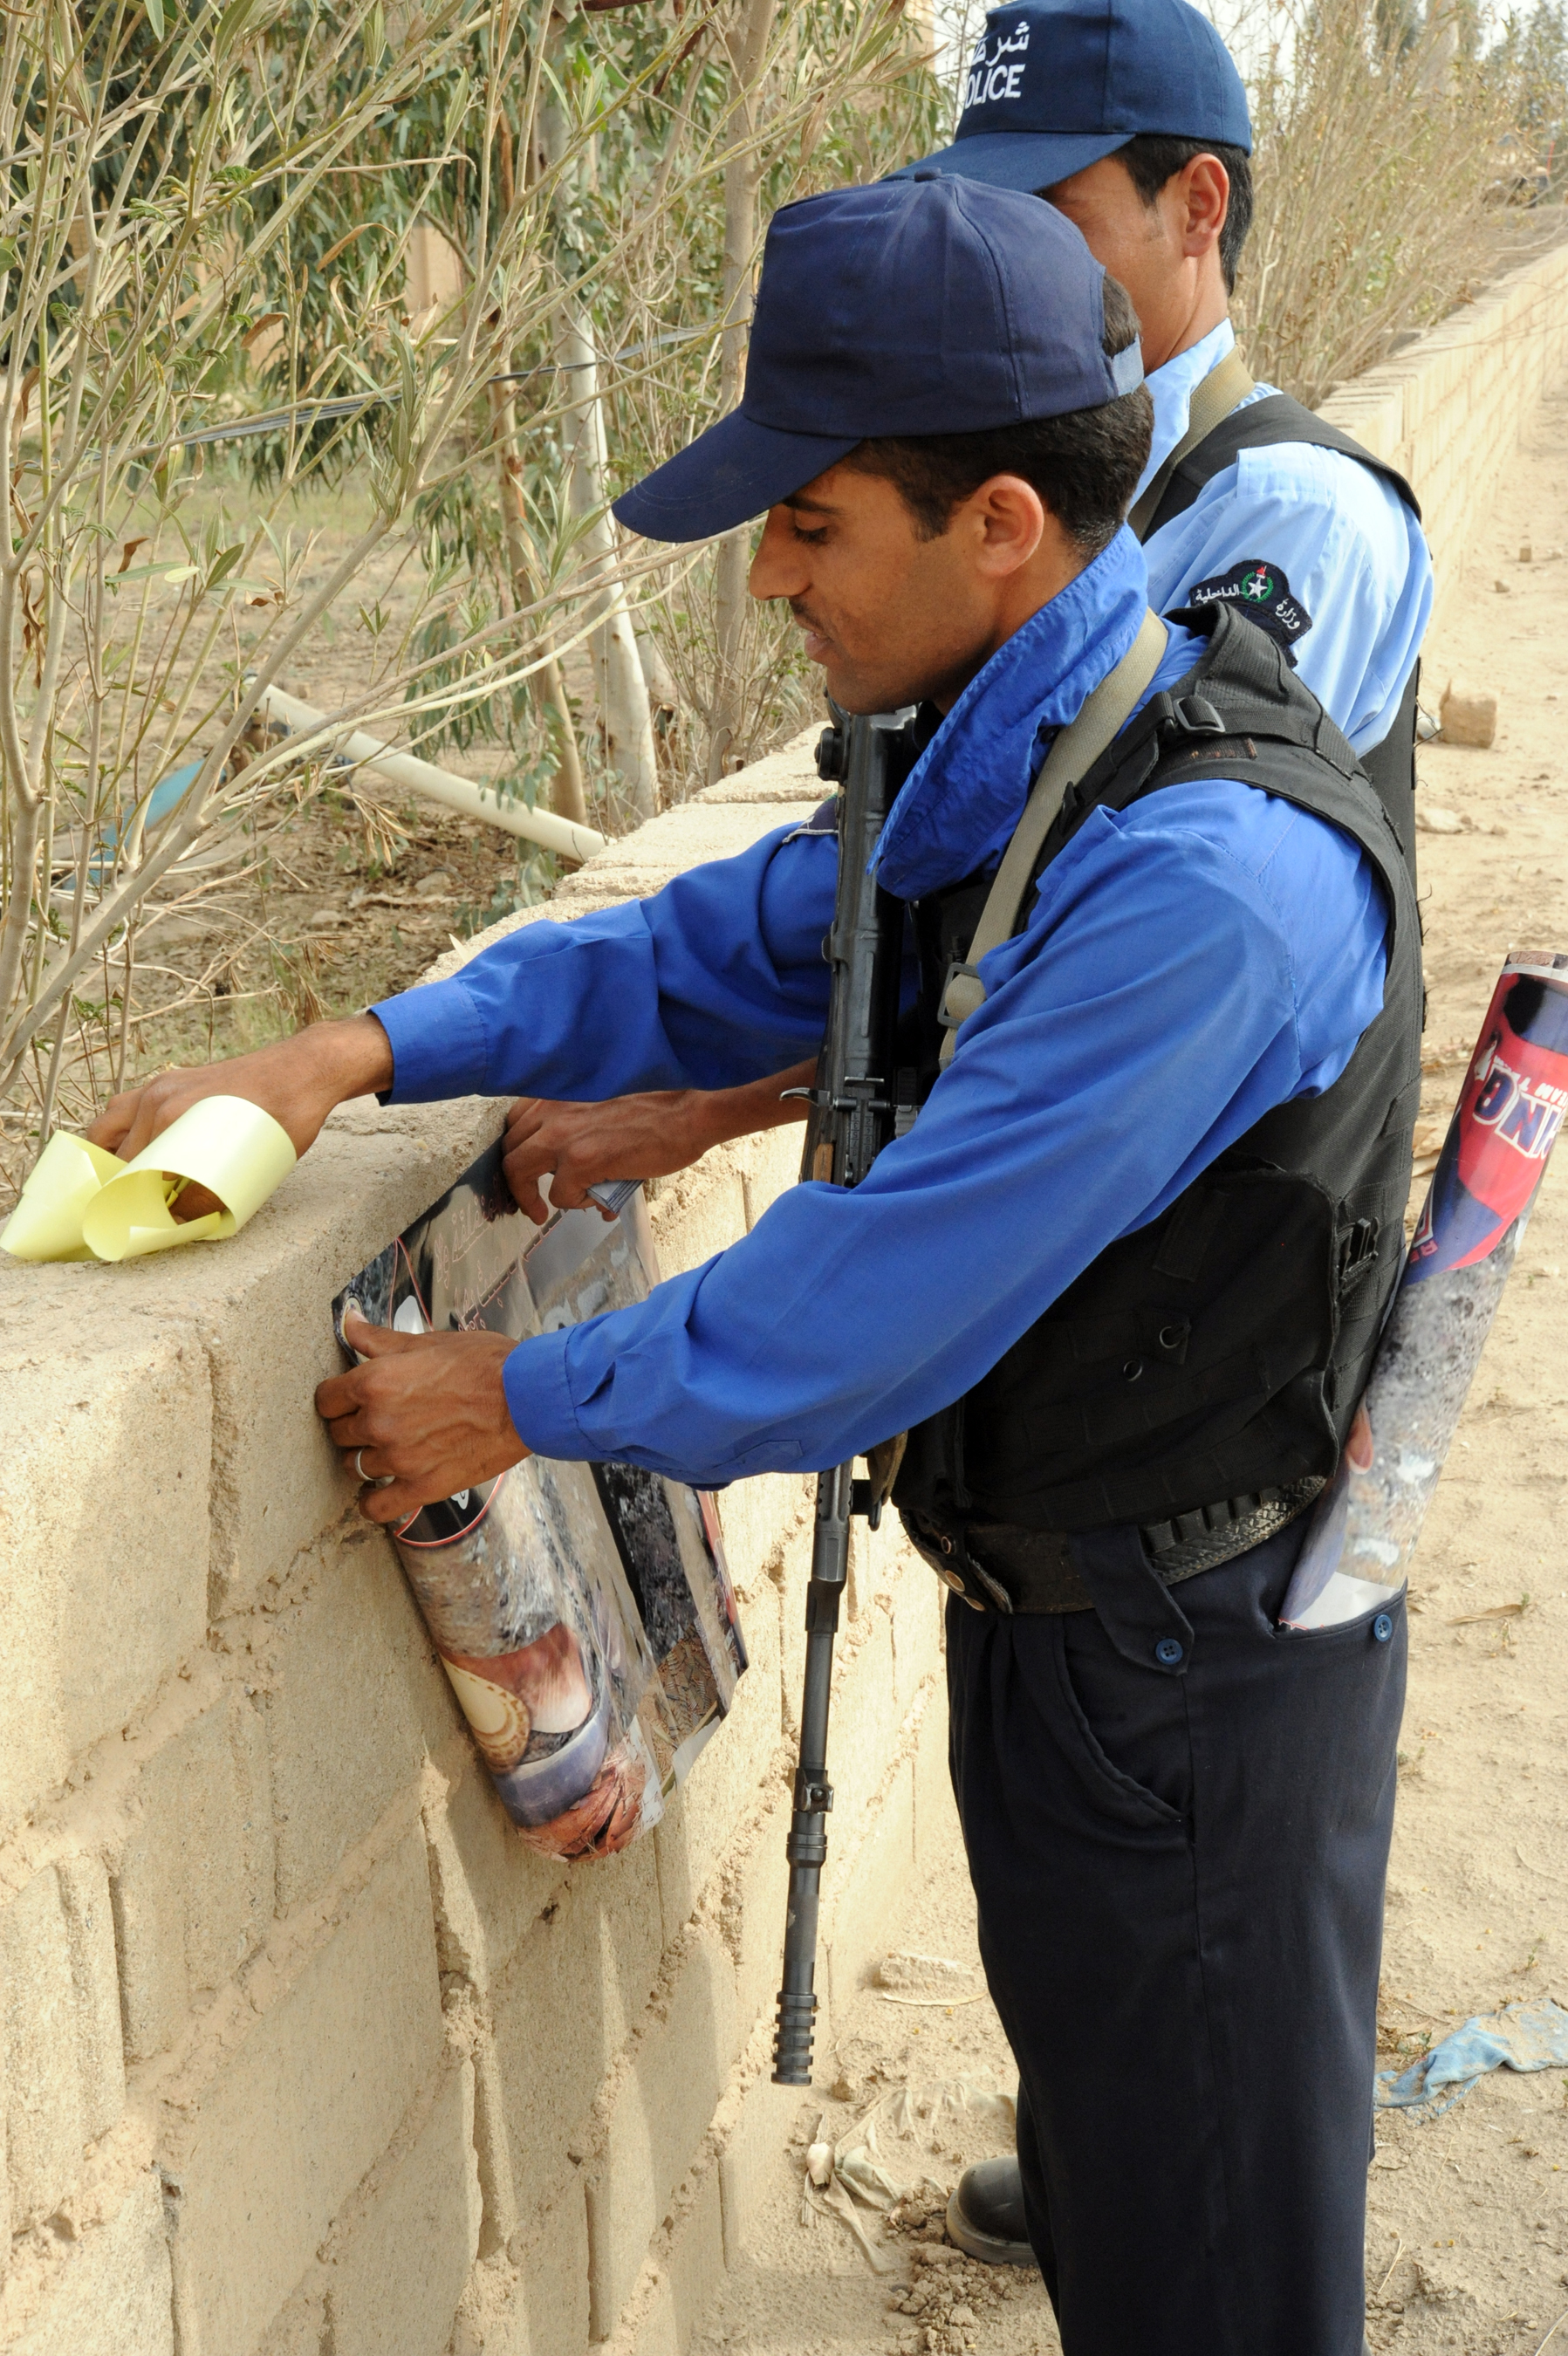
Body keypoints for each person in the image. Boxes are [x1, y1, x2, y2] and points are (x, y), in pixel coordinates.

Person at [91, 177, 1420, 2356]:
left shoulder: (1203, 880)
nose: (770, 580)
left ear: (996, 522)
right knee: (1123, 2184)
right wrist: (360, 1048)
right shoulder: (1017, 754)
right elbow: (722, 954)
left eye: (808, 526)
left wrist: (502, 1399)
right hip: (1073, 1624)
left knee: (1221, 2283)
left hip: (1191, 1672)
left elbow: (872, 1298)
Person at [496, 0, 1433, 1247]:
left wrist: (713, 1108)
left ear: (1197, 205)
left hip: (1190, 1277)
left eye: (1051, 213)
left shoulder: (1283, 509)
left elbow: (1109, 959)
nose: (1007, 249)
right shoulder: (1031, 464)